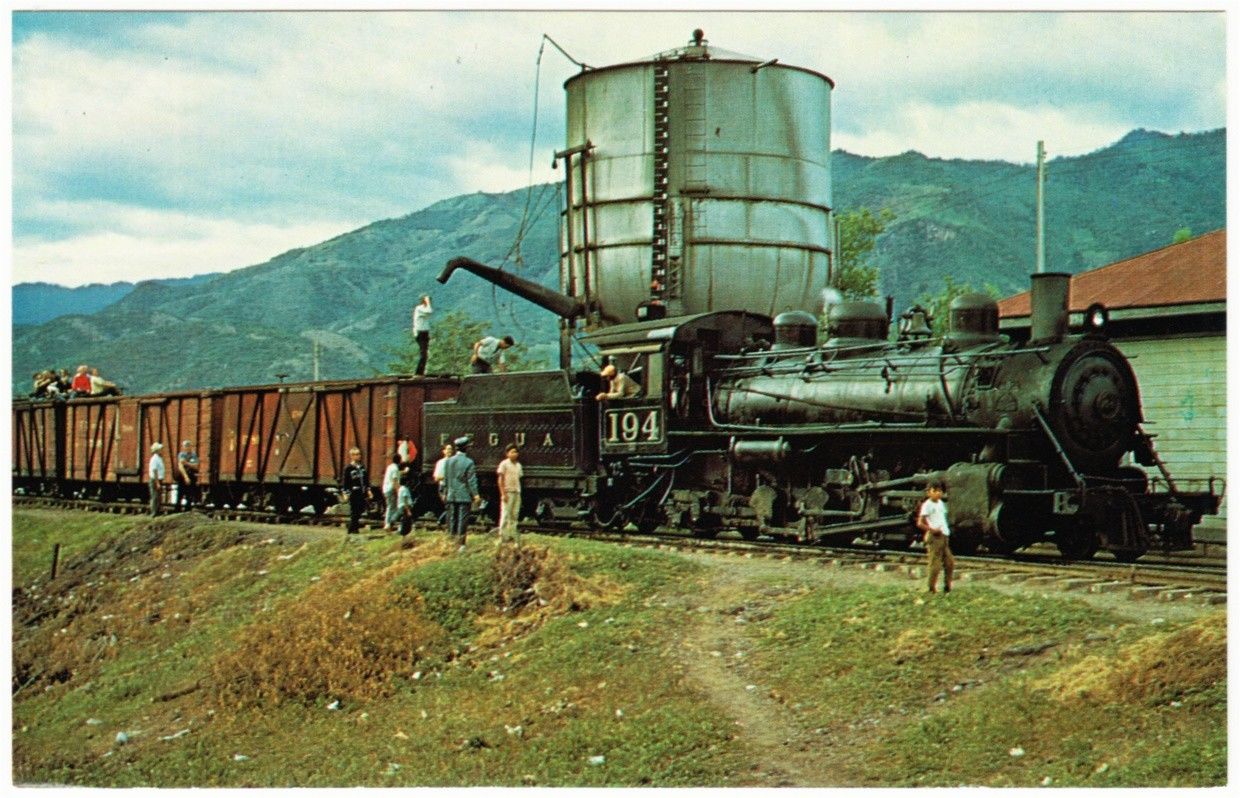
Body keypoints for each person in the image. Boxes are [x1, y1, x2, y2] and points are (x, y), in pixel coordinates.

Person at [441, 436, 480, 553]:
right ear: (466, 448)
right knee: (462, 520)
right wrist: (476, 495)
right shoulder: (469, 462)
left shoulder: (448, 461)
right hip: (464, 495)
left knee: (452, 518)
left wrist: (445, 492)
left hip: (451, 494)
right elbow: (471, 481)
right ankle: (461, 544)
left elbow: (446, 479)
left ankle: (451, 541)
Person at [917, 478, 955, 594]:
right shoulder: (927, 505)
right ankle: (931, 588)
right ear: (929, 492)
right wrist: (932, 530)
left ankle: (947, 587)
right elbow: (920, 523)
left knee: (950, 563)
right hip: (935, 537)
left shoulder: (941, 504)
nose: (938, 493)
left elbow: (942, 518)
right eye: (935, 491)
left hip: (944, 536)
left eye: (940, 491)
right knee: (935, 564)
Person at [496, 444, 523, 545]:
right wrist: (503, 494)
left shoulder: (519, 465)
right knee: (505, 515)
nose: (515, 454)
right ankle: (502, 537)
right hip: (508, 492)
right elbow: (500, 480)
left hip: (517, 492)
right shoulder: (504, 464)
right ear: (507, 454)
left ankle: (512, 535)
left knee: (514, 515)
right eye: (512, 452)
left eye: (516, 452)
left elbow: (519, 478)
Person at [340, 447, 369, 535]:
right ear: (351, 456)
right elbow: (346, 482)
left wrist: (368, 490)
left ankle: (354, 528)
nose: (358, 456)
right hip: (354, 492)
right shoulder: (349, 468)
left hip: (362, 491)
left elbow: (366, 480)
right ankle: (352, 529)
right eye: (356, 454)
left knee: (360, 509)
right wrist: (346, 493)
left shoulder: (362, 467)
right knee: (354, 511)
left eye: (359, 454)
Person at [412, 294, 433, 376]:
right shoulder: (419, 308)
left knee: (426, 353)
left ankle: (422, 371)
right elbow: (430, 311)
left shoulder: (424, 309)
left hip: (425, 332)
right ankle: (418, 373)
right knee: (423, 353)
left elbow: (429, 311)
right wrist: (428, 302)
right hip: (420, 333)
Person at [176, 440, 200, 509]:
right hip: (183, 475)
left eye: (188, 446)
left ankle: (188, 507)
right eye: (185, 446)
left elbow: (196, 466)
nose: (187, 447)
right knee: (180, 492)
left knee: (190, 492)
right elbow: (180, 466)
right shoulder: (181, 454)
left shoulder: (194, 455)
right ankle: (178, 507)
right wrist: (186, 477)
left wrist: (186, 463)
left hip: (191, 475)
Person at [382, 453, 402, 531]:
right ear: (399, 461)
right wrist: (398, 491)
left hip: (386, 488)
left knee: (390, 506)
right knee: (393, 507)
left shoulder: (390, 467)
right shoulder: (395, 469)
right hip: (391, 489)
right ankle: (388, 524)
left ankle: (388, 523)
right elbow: (394, 481)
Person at [148, 443, 166, 517]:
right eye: (160, 449)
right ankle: (154, 512)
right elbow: (155, 471)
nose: (162, 450)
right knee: (155, 496)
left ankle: (157, 511)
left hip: (158, 479)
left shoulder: (159, 458)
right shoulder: (154, 459)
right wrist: (157, 482)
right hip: (155, 480)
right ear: (157, 450)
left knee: (158, 496)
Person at [397, 466, 416, 536]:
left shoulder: (400, 489)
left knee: (404, 521)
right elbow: (405, 500)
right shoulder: (404, 489)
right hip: (405, 508)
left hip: (403, 507)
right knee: (406, 522)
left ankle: (403, 532)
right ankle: (403, 532)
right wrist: (408, 510)